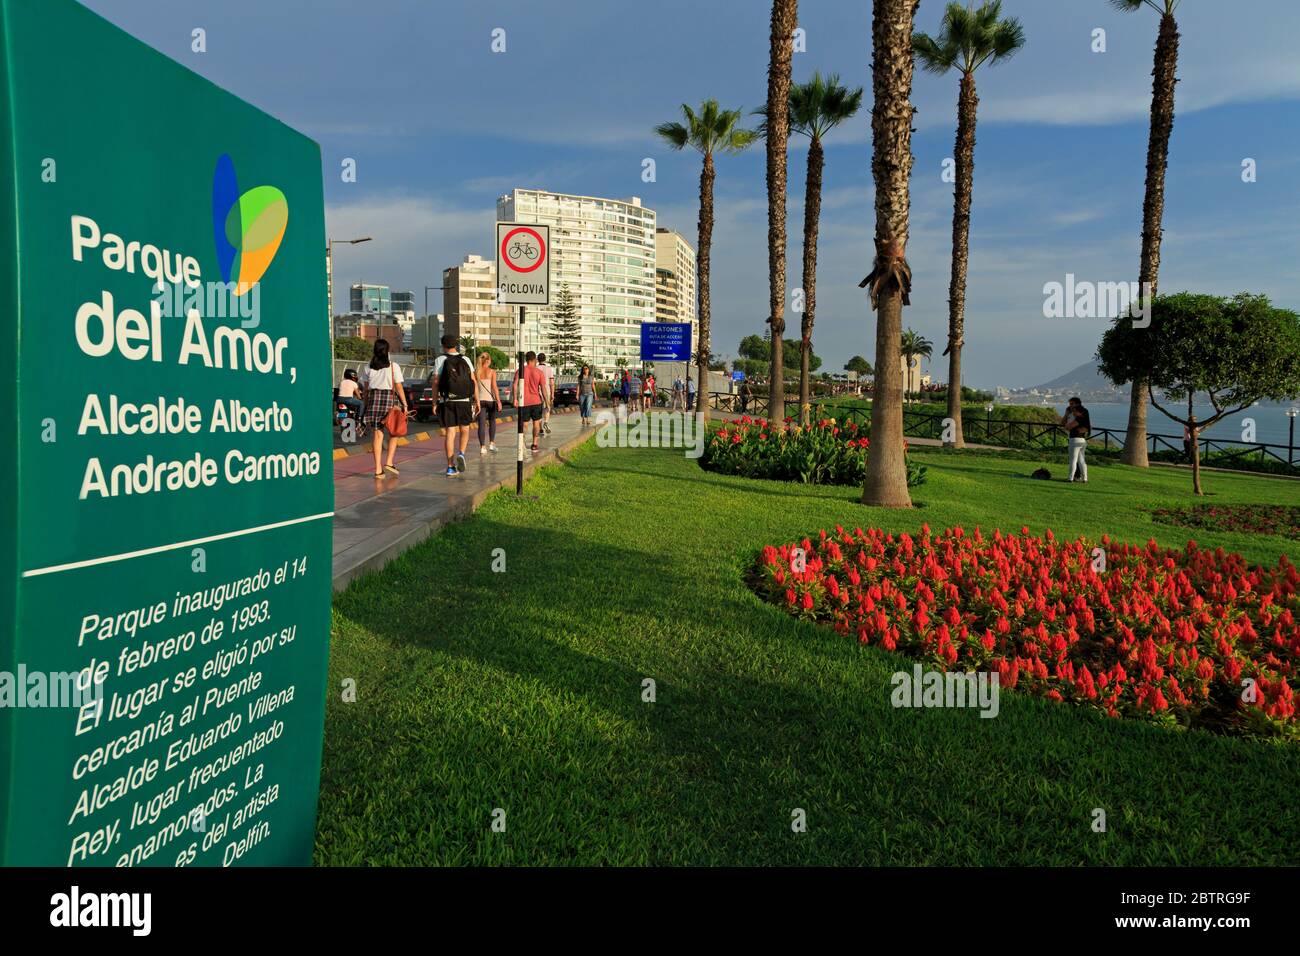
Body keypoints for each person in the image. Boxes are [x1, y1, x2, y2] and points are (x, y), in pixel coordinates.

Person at [431, 334, 478, 478]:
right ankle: (462, 454)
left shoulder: (440, 360)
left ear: (443, 345)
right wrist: (477, 401)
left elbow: (435, 383)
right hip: (464, 400)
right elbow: (473, 381)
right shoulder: (466, 359)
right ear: (456, 345)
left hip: (448, 401)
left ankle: (450, 466)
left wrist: (434, 402)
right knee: (465, 429)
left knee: (450, 433)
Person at [359, 338, 406, 479]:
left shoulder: (368, 366)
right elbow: (398, 387)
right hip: (389, 400)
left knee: (377, 436)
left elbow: (366, 389)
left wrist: (366, 404)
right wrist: (405, 403)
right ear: (387, 351)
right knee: (395, 431)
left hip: (374, 400)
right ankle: (389, 462)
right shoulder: (393, 366)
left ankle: (378, 470)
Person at [511, 351, 547, 453]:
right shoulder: (539, 372)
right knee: (536, 424)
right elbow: (543, 389)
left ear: (527, 359)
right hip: (536, 401)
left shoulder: (521, 371)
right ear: (534, 359)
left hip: (524, 401)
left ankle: (522, 442)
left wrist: (515, 399)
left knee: (524, 424)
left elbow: (515, 385)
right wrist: (547, 402)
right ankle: (535, 444)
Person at [475, 351, 501, 455]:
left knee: (481, 424)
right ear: (488, 360)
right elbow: (494, 387)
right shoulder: (492, 372)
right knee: (492, 422)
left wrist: (475, 401)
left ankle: (482, 447)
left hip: (480, 400)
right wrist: (498, 401)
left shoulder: (476, 372)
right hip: (490, 400)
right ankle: (491, 443)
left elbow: (475, 388)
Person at [1061, 396, 1091, 483]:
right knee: (1081, 460)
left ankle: (1070, 478)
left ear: (1077, 404)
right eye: (1069, 404)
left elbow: (1069, 426)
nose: (1070, 405)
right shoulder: (1073, 413)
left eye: (1072, 404)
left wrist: (1068, 426)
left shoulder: (1081, 413)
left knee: (1073, 460)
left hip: (1075, 439)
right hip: (1082, 440)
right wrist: (1066, 414)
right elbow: (1062, 423)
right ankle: (1084, 478)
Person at [537, 352, 556, 436]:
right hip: (547, 391)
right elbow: (552, 383)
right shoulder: (549, 369)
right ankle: (546, 422)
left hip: (537, 392)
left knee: (539, 412)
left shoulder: (535, 368)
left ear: (538, 359)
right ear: (545, 359)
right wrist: (552, 394)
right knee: (547, 409)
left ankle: (540, 429)